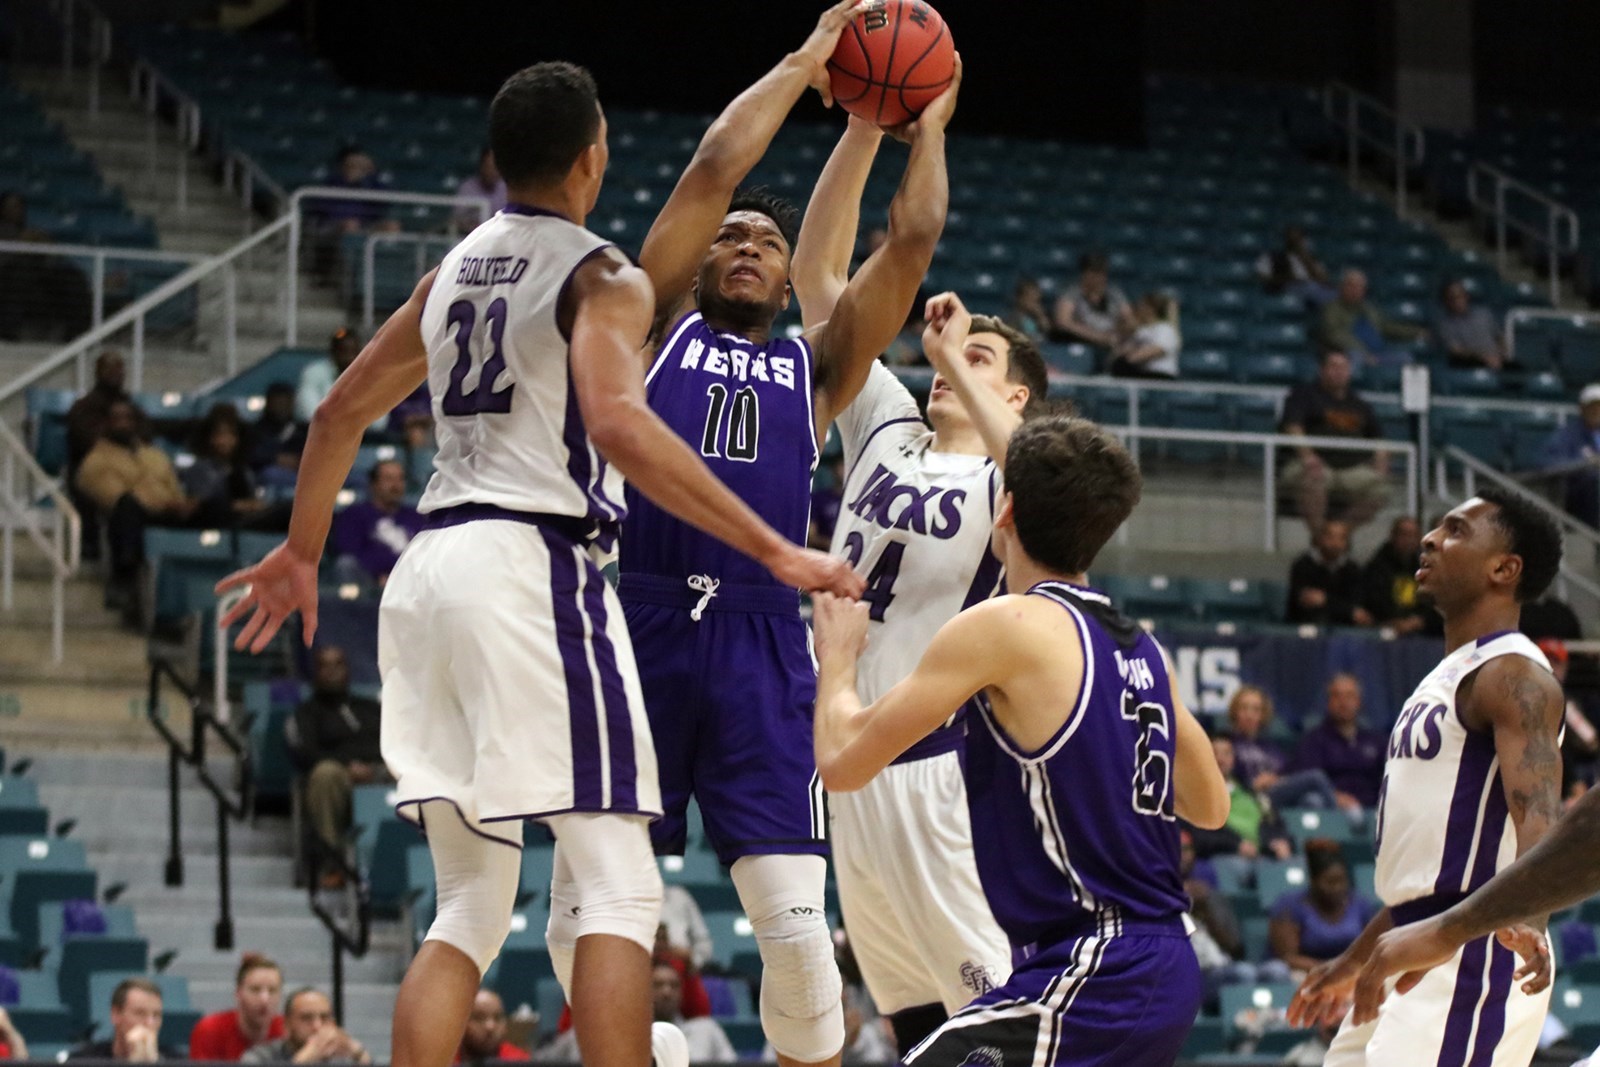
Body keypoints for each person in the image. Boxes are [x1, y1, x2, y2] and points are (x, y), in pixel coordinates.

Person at [216, 59, 859, 1067]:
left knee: (470, 900)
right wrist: (775, 545)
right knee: (618, 885)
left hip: (428, 571)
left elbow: (340, 409)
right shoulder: (599, 274)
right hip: (530, 563)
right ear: (593, 157)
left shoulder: (452, 270)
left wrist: (302, 549)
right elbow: (621, 413)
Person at [617, 10, 954, 1067]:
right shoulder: (647, 322)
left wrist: (926, 121)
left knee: (803, 946)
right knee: (603, 904)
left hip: (766, 647)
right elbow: (716, 167)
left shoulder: (816, 369)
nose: (749, 248)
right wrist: (810, 67)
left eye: (766, 240)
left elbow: (910, 242)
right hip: (643, 619)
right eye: (733, 240)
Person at [812, 415, 1232, 1067]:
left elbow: (842, 761)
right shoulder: (1142, 648)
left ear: (1003, 508)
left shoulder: (1004, 626)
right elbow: (1211, 806)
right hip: (1162, 961)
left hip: (1098, 966)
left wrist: (837, 656)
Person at [791, 123, 1028, 1051]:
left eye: (985, 362)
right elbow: (819, 276)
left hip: (939, 772)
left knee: (995, 1019)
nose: (955, 360)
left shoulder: (1009, 479)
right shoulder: (886, 424)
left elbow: (1050, 488)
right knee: (916, 1025)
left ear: (1016, 401)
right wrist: (865, 127)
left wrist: (955, 366)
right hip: (850, 760)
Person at [1288, 488, 1566, 1066]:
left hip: (1473, 949)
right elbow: (1426, 877)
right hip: (1406, 945)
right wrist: (1353, 960)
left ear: (1504, 569)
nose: (1431, 538)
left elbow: (1541, 818)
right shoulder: (1446, 676)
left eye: (1458, 530)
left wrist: (1529, 922)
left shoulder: (1514, 675)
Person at [74, 397, 199, 620]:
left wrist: (182, 504)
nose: (123, 423)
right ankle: (124, 578)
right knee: (128, 508)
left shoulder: (155, 456)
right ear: (105, 423)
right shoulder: (94, 462)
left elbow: (175, 491)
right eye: (116, 418)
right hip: (131, 520)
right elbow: (114, 498)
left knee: (212, 506)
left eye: (128, 418)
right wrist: (162, 502)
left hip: (169, 515)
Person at [286, 645, 385, 871]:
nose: (332, 671)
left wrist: (376, 768)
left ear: (348, 670)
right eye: (325, 666)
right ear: (316, 672)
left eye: (338, 665)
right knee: (325, 773)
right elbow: (304, 752)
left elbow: (397, 742)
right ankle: (332, 862)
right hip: (341, 777)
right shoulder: (306, 713)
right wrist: (348, 766)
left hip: (381, 771)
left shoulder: (371, 707)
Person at [1278, 349, 1392, 532]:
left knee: (1380, 489)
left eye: (1344, 367)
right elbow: (1293, 427)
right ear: (1322, 370)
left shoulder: (1359, 404)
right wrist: (1308, 456)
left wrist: (1381, 460)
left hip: (1349, 469)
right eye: (1333, 366)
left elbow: (1378, 439)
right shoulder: (1303, 395)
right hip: (1311, 465)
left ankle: (1338, 534)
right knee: (1315, 478)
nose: (1339, 371)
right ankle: (1320, 538)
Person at [1269, 846, 1381, 979]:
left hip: (1350, 970)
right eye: (1330, 882)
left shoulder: (1360, 904)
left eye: (1341, 880)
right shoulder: (1290, 905)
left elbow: (1374, 945)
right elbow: (1288, 958)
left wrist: (1346, 969)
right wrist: (1330, 970)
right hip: (1305, 972)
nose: (1337, 887)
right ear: (1313, 881)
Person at [1226, 684, 1341, 812]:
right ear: (1234, 711)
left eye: (1256, 709)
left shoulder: (1271, 747)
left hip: (1278, 794)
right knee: (1316, 776)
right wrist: (1253, 784)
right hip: (1251, 796)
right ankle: (1341, 823)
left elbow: (1288, 773)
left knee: (1313, 801)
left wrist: (1276, 779)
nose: (1249, 715)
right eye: (1244, 708)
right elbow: (1227, 778)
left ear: (1263, 714)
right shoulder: (1228, 743)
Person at [1289, 674, 1387, 816]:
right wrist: (1335, 797)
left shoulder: (1375, 741)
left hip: (1372, 812)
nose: (1343, 702)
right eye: (1337, 696)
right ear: (1328, 701)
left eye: (1349, 696)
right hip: (1332, 811)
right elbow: (1308, 781)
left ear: (1359, 701)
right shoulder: (1314, 740)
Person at [1189, 733, 1293, 864]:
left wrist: (1281, 840)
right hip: (1230, 857)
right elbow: (1200, 836)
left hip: (1265, 853)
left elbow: (1274, 820)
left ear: (1233, 758)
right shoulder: (1198, 795)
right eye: (1215, 753)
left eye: (1227, 753)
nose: (1221, 759)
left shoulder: (1250, 791)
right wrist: (1236, 845)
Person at [182, 404, 284, 531]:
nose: (225, 441)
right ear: (209, 438)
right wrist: (238, 506)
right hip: (217, 525)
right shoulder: (199, 469)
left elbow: (252, 500)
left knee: (284, 511)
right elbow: (202, 507)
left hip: (245, 524)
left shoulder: (243, 470)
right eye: (220, 435)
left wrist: (255, 506)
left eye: (231, 435)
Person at [330, 459, 424, 587]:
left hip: (411, 580)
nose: (395, 485)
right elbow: (349, 551)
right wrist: (379, 576)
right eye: (388, 479)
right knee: (346, 564)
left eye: (400, 479)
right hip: (369, 582)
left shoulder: (416, 517)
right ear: (373, 484)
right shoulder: (355, 515)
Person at [1316, 269, 1426, 365]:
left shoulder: (1369, 308)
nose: (1356, 290)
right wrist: (1362, 352)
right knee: (1354, 358)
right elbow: (1334, 334)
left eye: (1360, 287)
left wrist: (1416, 332)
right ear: (1342, 287)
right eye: (1352, 286)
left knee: (1406, 358)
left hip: (1378, 352)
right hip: (1349, 352)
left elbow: (1386, 327)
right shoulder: (1332, 309)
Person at [189, 955, 286, 1062]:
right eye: (255, 990)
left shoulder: (286, 1031)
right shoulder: (209, 1030)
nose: (264, 1000)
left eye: (272, 991)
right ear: (238, 993)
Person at [240, 989, 371, 1065]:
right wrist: (303, 1061)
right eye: (306, 1018)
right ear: (287, 1025)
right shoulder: (260, 1057)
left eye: (324, 1018)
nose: (317, 1026)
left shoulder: (343, 1059)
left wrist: (358, 1053)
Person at [67, 978, 178, 1061]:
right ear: (115, 1015)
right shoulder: (84, 1060)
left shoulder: (176, 1060)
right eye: (140, 1013)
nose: (149, 1023)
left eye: (156, 1015)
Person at [1287, 519, 1372, 626]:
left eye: (1341, 538)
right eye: (1330, 537)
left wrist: (1325, 600)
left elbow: (1356, 605)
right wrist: (1347, 610)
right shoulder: (1303, 565)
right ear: (1319, 539)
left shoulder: (1352, 568)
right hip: (1306, 625)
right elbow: (1307, 601)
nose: (1335, 543)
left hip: (1342, 623)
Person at [1538, 382, 1600, 527]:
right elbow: (1546, 463)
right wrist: (1584, 463)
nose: (1597, 411)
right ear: (1582, 409)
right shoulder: (1568, 434)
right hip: (1578, 496)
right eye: (1593, 407)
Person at [65, 350, 138, 472]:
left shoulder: (130, 405)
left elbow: (145, 434)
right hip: (95, 471)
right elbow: (87, 444)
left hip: (131, 468)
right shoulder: (82, 407)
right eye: (109, 368)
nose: (115, 373)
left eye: (118, 368)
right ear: (98, 372)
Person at [1049, 250, 1133, 354]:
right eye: (1094, 272)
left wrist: (1119, 333)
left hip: (1112, 340)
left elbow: (1129, 319)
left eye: (1102, 273)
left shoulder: (1114, 293)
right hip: (1083, 342)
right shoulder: (1071, 292)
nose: (1099, 278)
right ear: (1084, 273)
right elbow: (1063, 322)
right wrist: (1097, 337)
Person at [1361, 515, 1433, 635]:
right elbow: (1372, 600)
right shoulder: (1377, 566)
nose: (1408, 540)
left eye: (1413, 535)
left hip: (1418, 630)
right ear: (1393, 536)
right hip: (1382, 628)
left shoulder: (1426, 567)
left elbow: (1433, 602)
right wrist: (1393, 621)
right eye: (1403, 534)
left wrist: (1418, 620)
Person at [651, 963, 735, 1064]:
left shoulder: (706, 1029)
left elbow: (731, 1063)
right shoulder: (635, 1035)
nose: (667, 992)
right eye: (657, 985)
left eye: (674, 985)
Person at [296, 329, 366, 425]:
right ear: (333, 352)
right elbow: (309, 414)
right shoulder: (314, 372)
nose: (349, 357)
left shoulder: (367, 375)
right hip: (318, 433)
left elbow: (379, 422)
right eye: (343, 351)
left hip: (365, 436)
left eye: (353, 352)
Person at [1107, 291, 1181, 379]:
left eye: (1142, 306)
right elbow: (1116, 352)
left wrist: (1130, 353)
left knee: (1121, 364)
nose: (1138, 309)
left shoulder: (1165, 329)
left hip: (1160, 377)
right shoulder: (1141, 331)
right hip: (1141, 375)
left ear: (1151, 309)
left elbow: (1138, 356)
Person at [1434, 280, 1505, 370]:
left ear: (1467, 296)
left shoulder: (1484, 314)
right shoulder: (1444, 324)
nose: (1458, 301)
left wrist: (1501, 354)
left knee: (1520, 372)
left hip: (1498, 360)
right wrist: (1484, 357)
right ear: (1446, 301)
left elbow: (1499, 337)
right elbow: (1456, 351)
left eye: (1461, 296)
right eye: (1453, 298)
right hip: (1470, 363)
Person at [1256, 225, 1335, 306]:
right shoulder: (1271, 257)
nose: (1295, 241)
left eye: (1298, 238)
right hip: (1286, 288)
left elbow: (1324, 279)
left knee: (1335, 292)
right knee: (1311, 288)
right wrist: (1289, 278)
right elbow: (1263, 279)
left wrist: (1305, 258)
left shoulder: (1310, 258)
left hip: (1312, 288)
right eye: (1292, 238)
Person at [247, 383, 308, 485]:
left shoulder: (302, 429)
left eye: (286, 402)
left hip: (301, 471)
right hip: (270, 474)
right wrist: (276, 458)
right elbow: (251, 456)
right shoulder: (256, 430)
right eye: (279, 402)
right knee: (271, 474)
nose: (282, 407)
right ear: (269, 403)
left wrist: (299, 460)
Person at [456, 989, 529, 1065]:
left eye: (497, 1018)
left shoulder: (520, 1061)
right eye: (479, 1018)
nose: (490, 1027)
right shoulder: (445, 1059)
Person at [454, 149, 508, 232]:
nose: (492, 172)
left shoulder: (506, 188)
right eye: (488, 167)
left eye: (495, 167)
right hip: (470, 236)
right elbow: (458, 220)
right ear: (481, 166)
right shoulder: (467, 188)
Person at [1005, 276, 1052, 341]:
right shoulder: (1013, 319)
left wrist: (1041, 317)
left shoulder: (1036, 318)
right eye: (1030, 299)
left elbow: (1048, 333)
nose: (1034, 304)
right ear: (1020, 298)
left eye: (1037, 300)